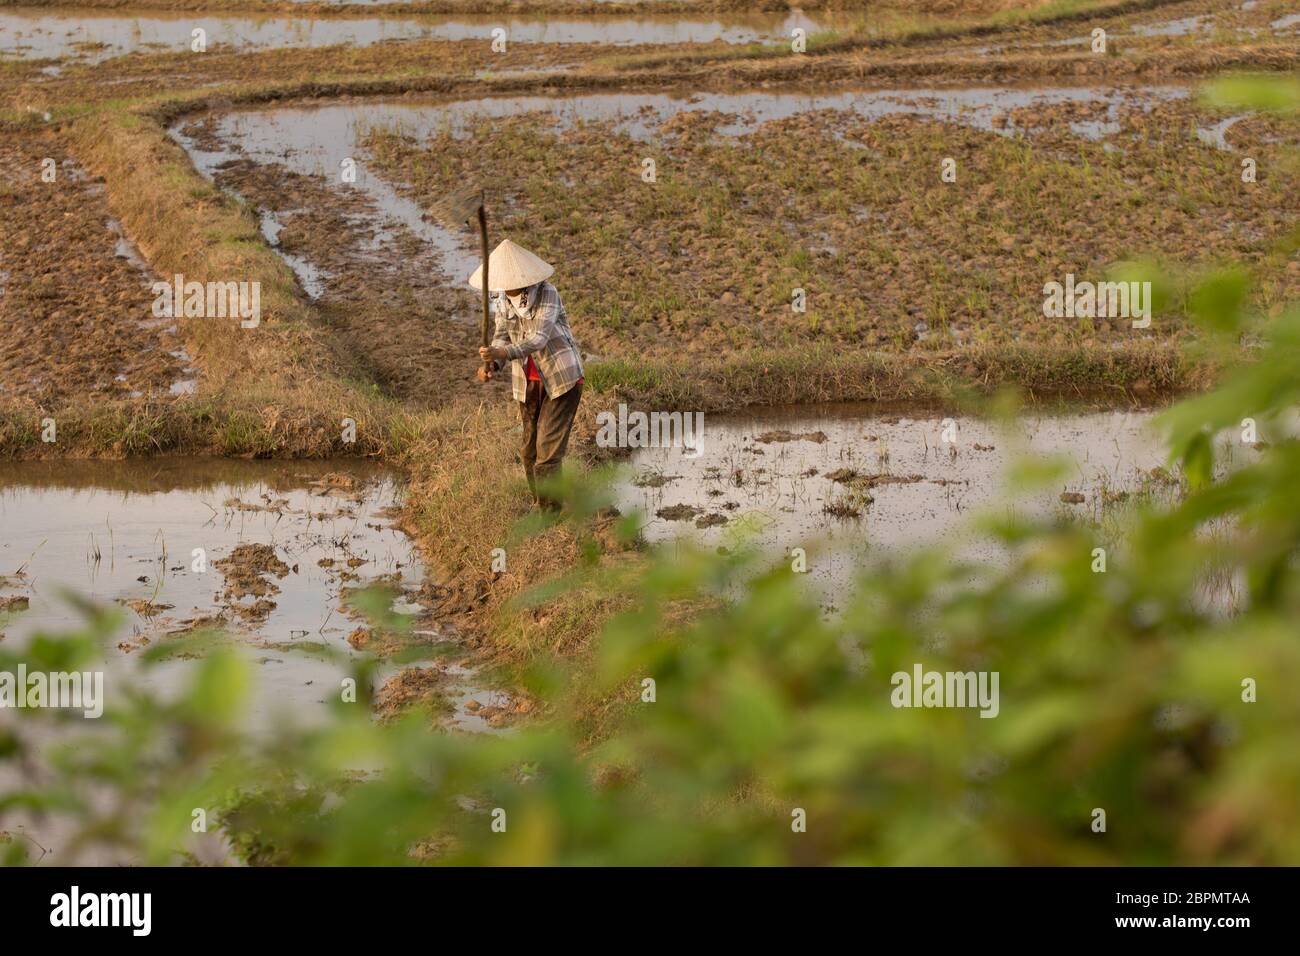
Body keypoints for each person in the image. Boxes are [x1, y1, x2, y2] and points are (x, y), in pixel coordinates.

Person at [473, 239, 584, 510]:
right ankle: (541, 502)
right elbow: (500, 334)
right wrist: (492, 364)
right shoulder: (502, 300)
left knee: (547, 456)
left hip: (560, 380)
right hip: (528, 383)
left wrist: (503, 354)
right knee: (529, 452)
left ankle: (549, 513)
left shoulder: (547, 293)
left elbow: (538, 339)